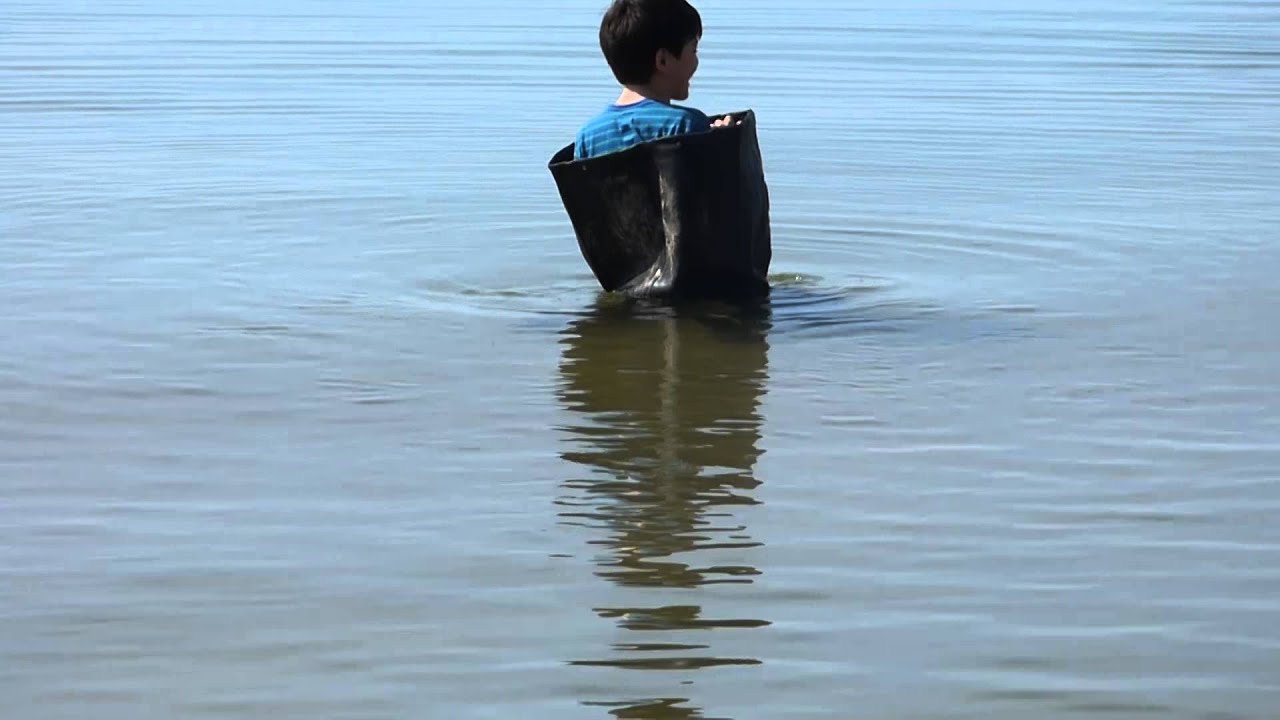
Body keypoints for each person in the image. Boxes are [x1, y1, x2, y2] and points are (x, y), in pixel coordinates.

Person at [574, 0, 734, 160]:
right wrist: (723, 143)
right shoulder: (686, 125)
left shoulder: (587, 137)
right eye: (693, 50)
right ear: (663, 61)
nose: (696, 61)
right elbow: (714, 182)